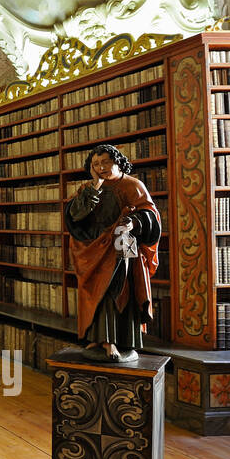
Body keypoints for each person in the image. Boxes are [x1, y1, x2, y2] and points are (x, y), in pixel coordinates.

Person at [64, 144, 161, 363]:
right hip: (93, 249)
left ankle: (114, 340)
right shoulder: (89, 187)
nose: (101, 168)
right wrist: (95, 187)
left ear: (117, 162)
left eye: (105, 162)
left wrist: (133, 223)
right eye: (95, 164)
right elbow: (75, 215)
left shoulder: (132, 185)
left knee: (114, 292)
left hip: (120, 246)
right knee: (93, 293)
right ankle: (97, 338)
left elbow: (150, 216)